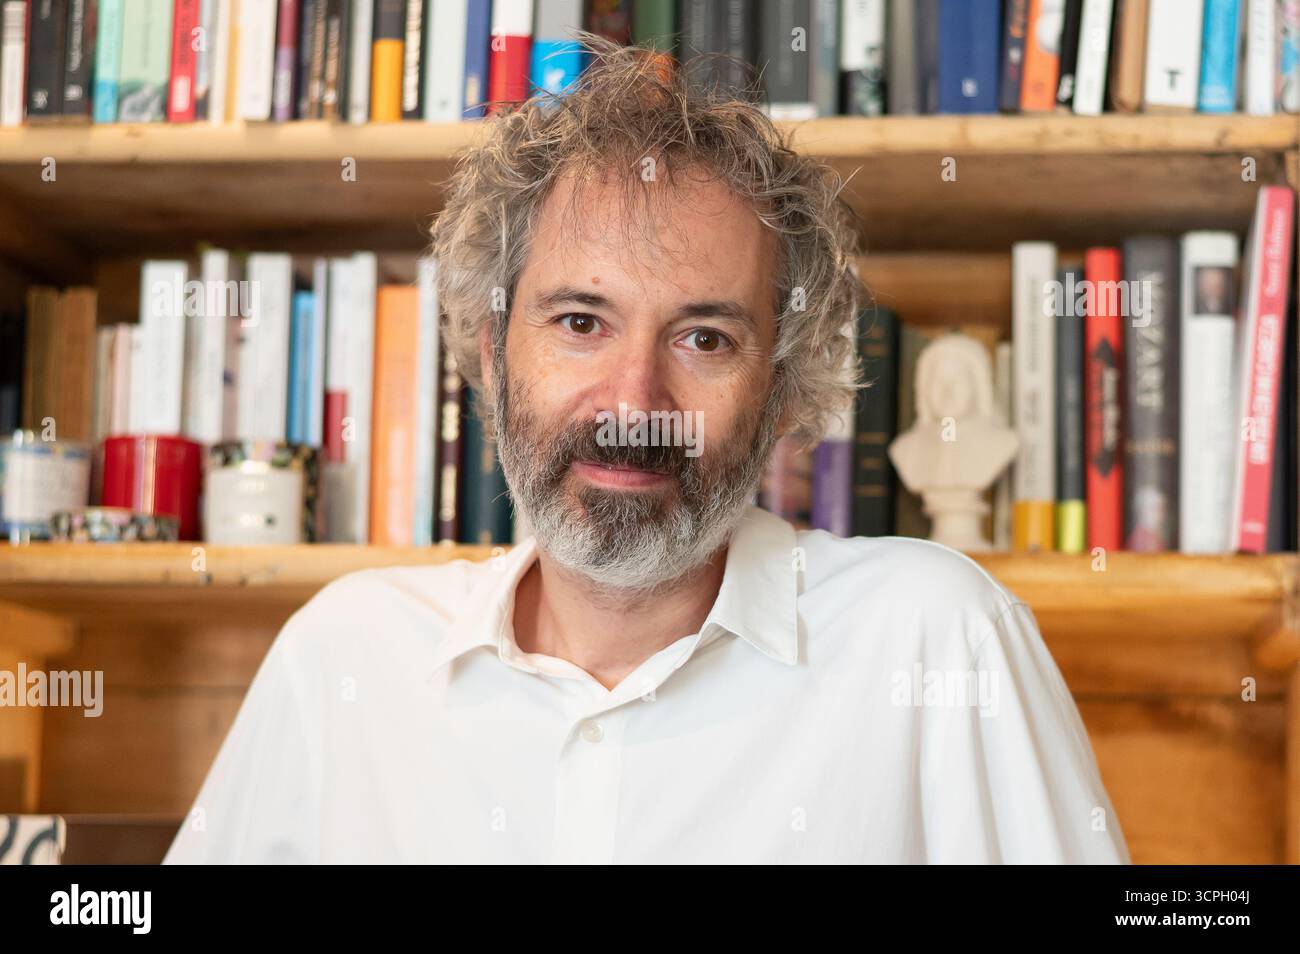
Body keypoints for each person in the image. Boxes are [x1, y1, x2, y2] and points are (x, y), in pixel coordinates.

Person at [164, 34, 1128, 864]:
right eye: (582, 321)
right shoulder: (345, 656)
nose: (635, 402)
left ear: (784, 383)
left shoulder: (936, 636)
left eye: (704, 338)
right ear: (491, 350)